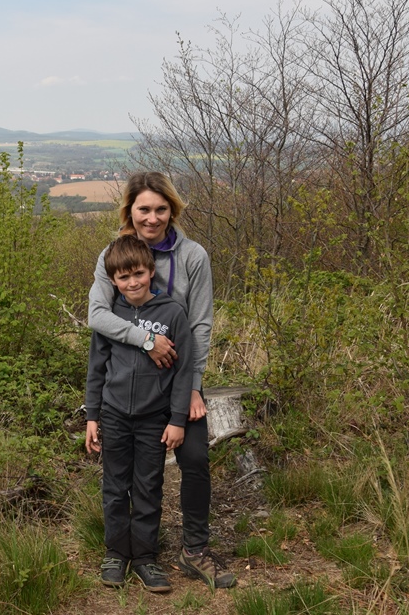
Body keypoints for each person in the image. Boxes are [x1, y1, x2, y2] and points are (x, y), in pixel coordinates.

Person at [88, 172, 237, 589]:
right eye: (143, 209)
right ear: (129, 211)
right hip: (127, 387)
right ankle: (121, 550)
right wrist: (147, 340)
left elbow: (201, 324)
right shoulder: (112, 257)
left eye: (160, 209)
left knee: (193, 457)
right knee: (121, 478)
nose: (151, 218)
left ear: (172, 210)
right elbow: (98, 317)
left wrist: (192, 387)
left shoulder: (193, 256)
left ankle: (194, 551)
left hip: (181, 378)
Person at [85, 234, 192, 593]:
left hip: (153, 419)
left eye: (139, 274)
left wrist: (177, 420)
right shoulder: (109, 316)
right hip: (114, 415)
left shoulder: (172, 314)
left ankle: (145, 557)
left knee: (148, 487)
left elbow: (184, 372)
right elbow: (96, 368)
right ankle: (116, 552)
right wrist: (92, 415)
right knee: (115, 487)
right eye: (123, 277)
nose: (132, 283)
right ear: (112, 280)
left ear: (151, 271)